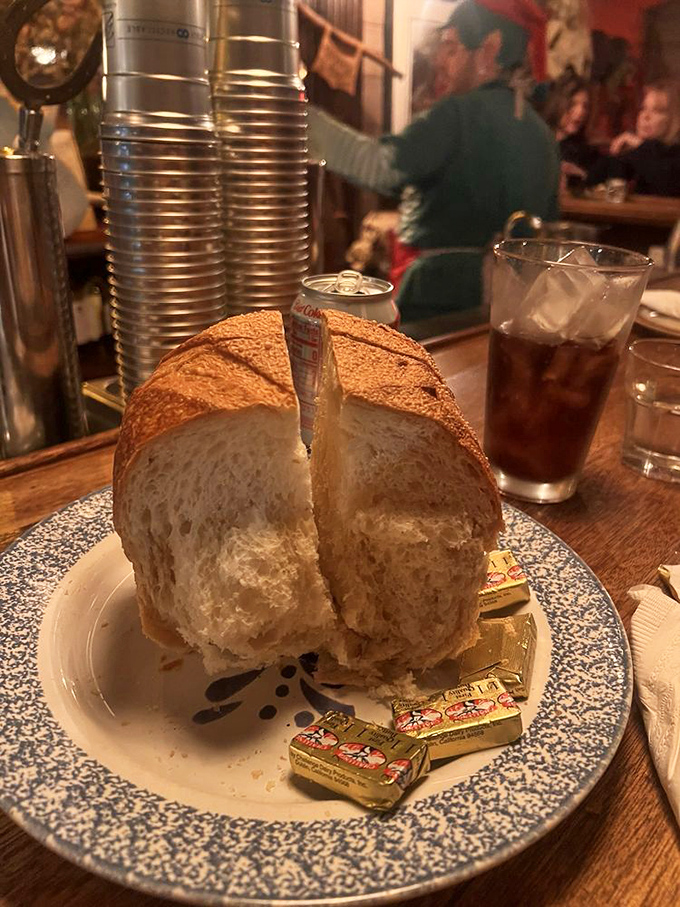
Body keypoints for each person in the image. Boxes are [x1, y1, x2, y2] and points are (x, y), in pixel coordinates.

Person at [308, 0, 559, 323]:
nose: (439, 60)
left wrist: (300, 119)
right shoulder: (543, 135)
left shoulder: (456, 115)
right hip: (515, 312)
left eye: (451, 48)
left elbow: (379, 165)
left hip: (438, 297)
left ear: (489, 50)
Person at [608, 80, 680, 197]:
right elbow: (604, 187)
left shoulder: (675, 156)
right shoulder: (633, 152)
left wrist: (642, 146)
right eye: (643, 108)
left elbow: (665, 185)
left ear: (673, 119)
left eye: (657, 111)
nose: (645, 116)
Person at [542, 73, 603, 186]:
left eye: (585, 106)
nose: (581, 112)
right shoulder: (537, 142)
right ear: (557, 104)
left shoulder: (588, 154)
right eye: (572, 104)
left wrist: (581, 175)